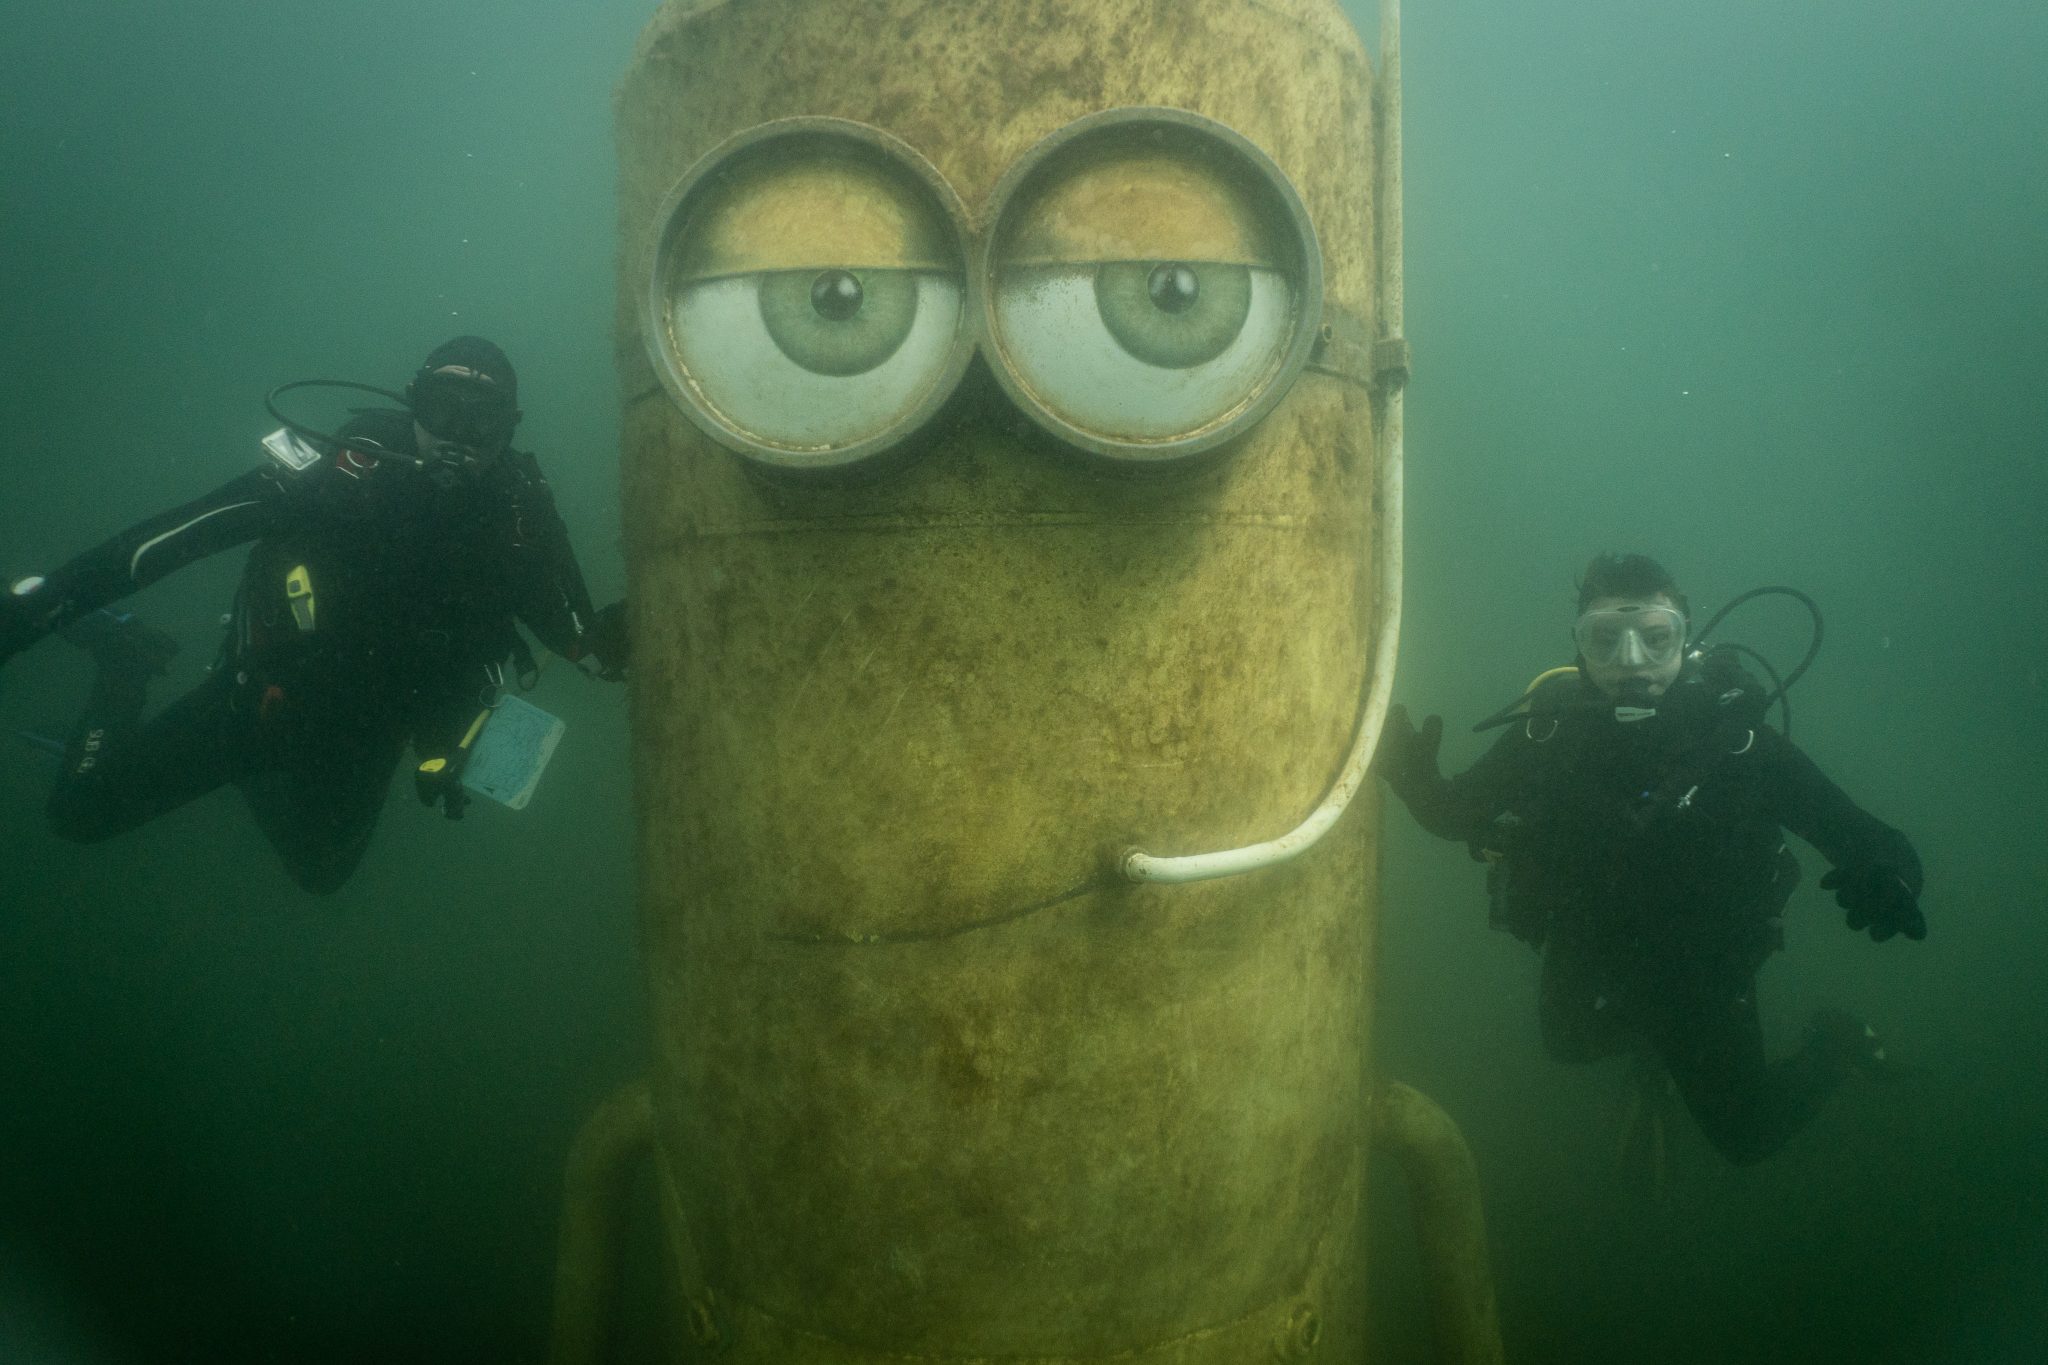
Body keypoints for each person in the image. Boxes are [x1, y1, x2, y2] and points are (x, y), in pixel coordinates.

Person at [0, 336, 628, 894]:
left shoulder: (519, 518)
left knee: (322, 873)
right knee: (77, 816)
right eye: (443, 410)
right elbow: (168, 541)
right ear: (413, 405)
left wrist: (632, 633)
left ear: (509, 428)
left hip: (367, 739)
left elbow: (582, 639)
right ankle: (124, 668)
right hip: (253, 705)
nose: (457, 437)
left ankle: (257, 777)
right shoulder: (337, 474)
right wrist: (34, 613)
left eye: (481, 418)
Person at [1374, 552, 1924, 1165]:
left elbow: (1872, 840)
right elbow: (1460, 816)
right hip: (1592, 939)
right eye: (1606, 639)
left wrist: (1892, 878)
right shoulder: (1548, 734)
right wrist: (1418, 786)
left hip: (1705, 964)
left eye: (1655, 638)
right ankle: (1656, 1055)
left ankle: (1834, 1045)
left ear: (1684, 639)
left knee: (1749, 1136)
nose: (1632, 662)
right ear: (1579, 645)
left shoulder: (1737, 746)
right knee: (1566, 1043)